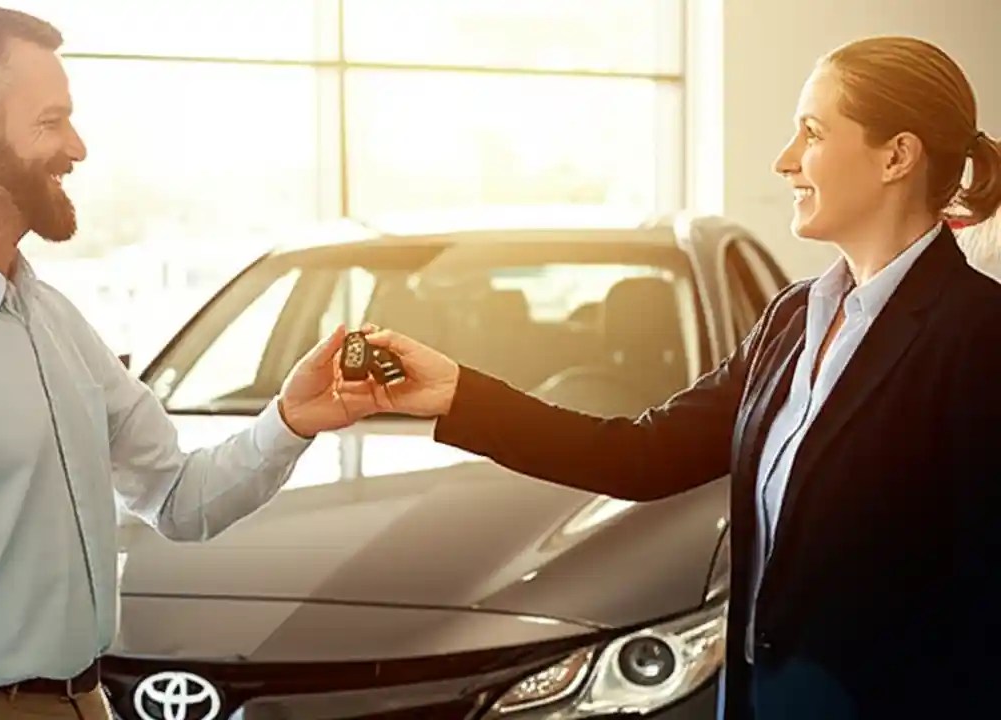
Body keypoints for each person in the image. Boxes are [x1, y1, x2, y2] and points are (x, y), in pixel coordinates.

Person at [350, 36, 1001, 720]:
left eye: (810, 132)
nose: (785, 161)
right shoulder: (793, 317)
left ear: (896, 156)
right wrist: (456, 392)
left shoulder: (978, 338)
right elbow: (641, 455)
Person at [0, 6, 379, 720]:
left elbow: (179, 496)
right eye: (51, 121)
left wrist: (289, 420)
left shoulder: (51, 317)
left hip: (83, 700)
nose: (77, 146)